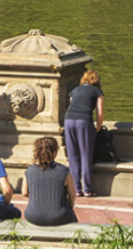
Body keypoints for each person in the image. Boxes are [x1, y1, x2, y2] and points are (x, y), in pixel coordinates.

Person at [63, 69, 106, 197]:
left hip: (68, 119)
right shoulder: (97, 92)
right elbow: (100, 113)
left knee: (73, 155)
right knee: (85, 155)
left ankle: (76, 189)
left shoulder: (75, 90)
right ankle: (87, 189)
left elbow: (71, 104)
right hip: (84, 121)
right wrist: (98, 128)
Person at [19, 134, 79, 227]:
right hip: (59, 216)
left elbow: (24, 193)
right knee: (73, 218)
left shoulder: (28, 171)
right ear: (55, 153)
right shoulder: (64, 171)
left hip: (33, 216)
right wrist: (70, 206)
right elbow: (72, 195)